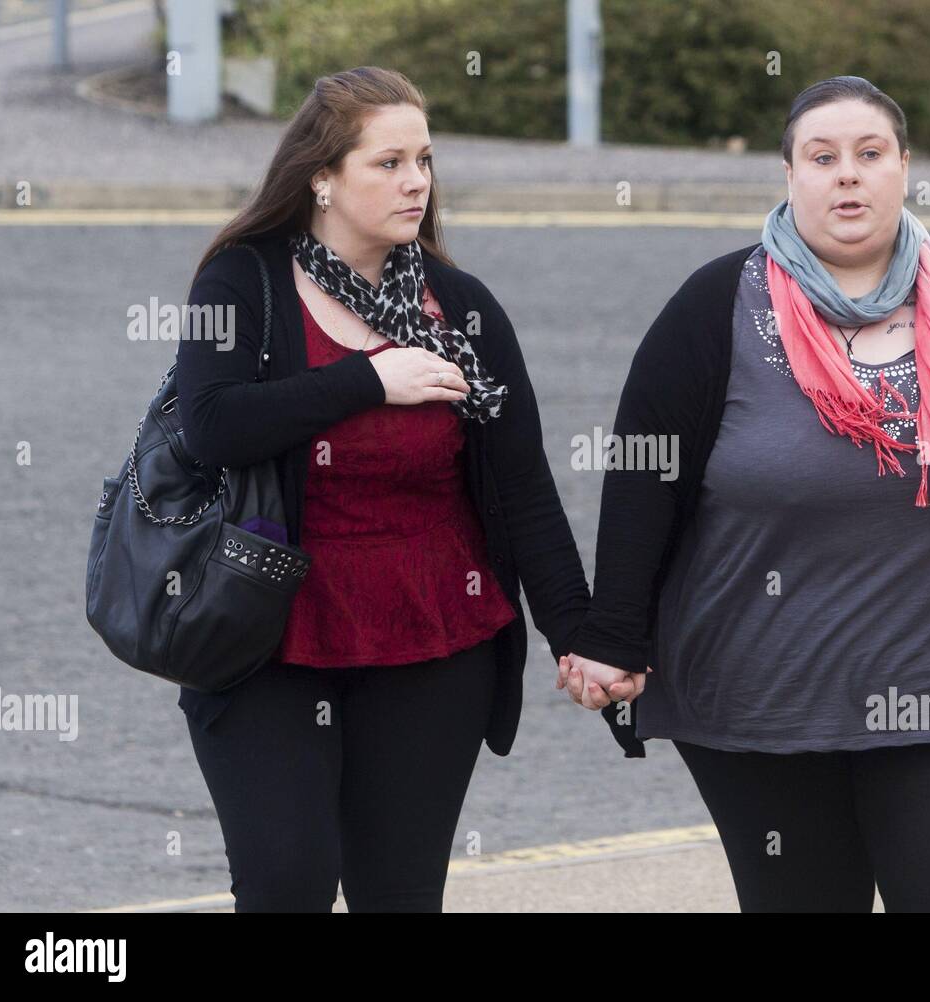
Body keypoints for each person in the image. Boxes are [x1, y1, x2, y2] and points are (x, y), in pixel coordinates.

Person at [558, 75, 930, 912]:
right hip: (760, 696)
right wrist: (613, 636)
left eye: (870, 153)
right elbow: (641, 480)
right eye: (822, 158)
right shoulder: (713, 307)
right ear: (789, 176)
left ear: (904, 167)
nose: (847, 173)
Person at [174, 66, 597, 912]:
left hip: (433, 632)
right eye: (389, 162)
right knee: (286, 882)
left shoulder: (461, 307)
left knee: (398, 895)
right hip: (269, 632)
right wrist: (368, 381)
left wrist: (579, 635)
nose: (416, 182)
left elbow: (522, 488)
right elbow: (212, 424)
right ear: (321, 177)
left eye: (425, 161)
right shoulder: (242, 281)